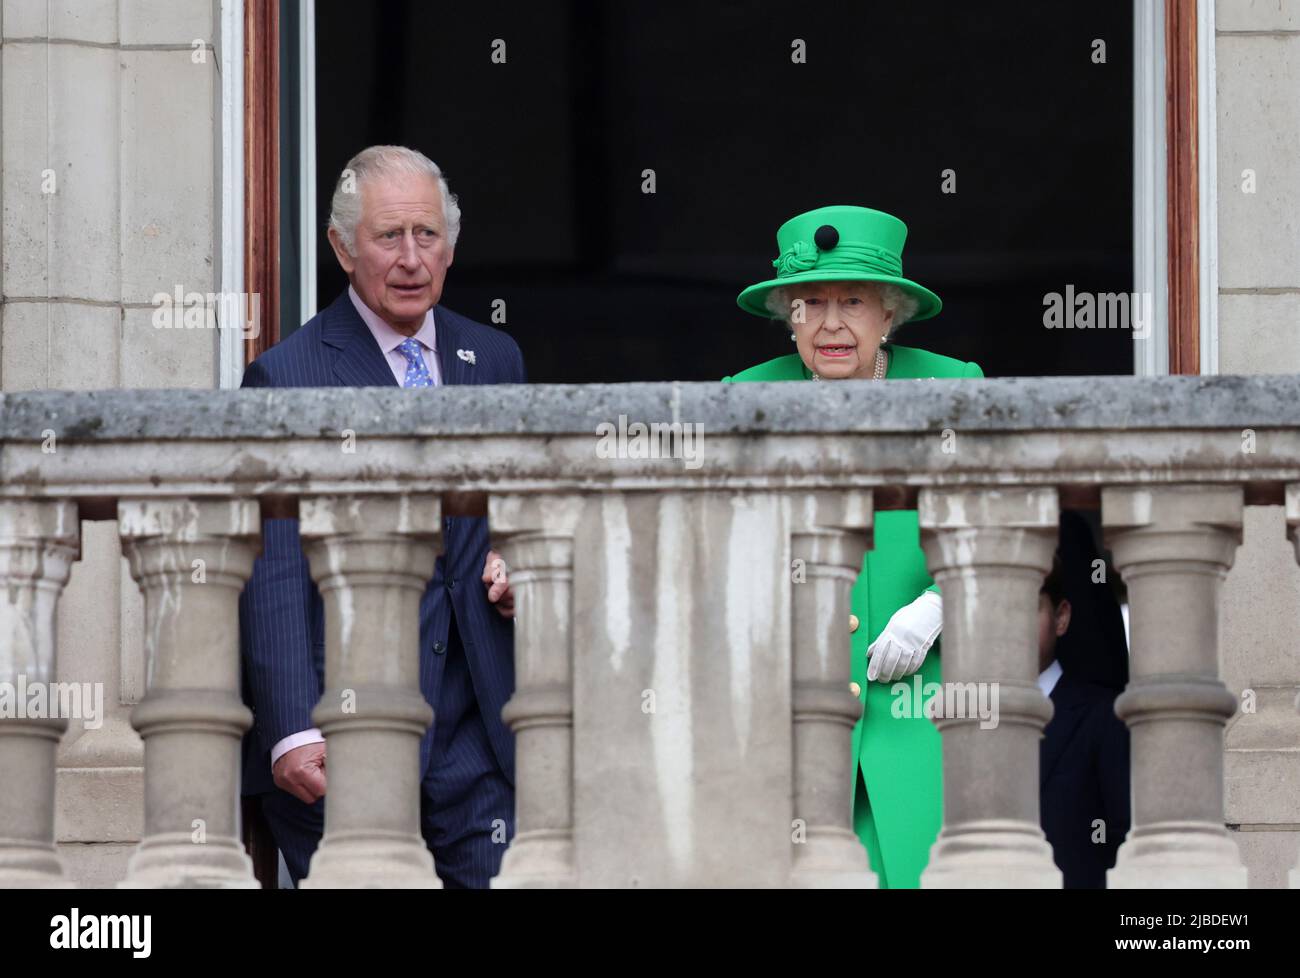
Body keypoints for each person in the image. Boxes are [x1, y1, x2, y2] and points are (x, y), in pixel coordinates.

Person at [238, 145, 525, 888]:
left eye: (426, 235)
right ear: (341, 247)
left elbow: (521, 507)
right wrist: (292, 727)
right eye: (387, 236)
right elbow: (271, 567)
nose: (409, 258)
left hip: (479, 735)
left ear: (450, 245)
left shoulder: (493, 358)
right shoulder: (286, 376)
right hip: (346, 733)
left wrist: (518, 557)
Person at [723, 205, 984, 887]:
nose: (831, 323)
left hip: (918, 718)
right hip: (792, 720)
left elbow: (997, 526)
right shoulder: (743, 397)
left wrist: (937, 608)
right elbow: (715, 550)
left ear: (890, 315)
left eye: (854, 302)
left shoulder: (953, 387)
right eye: (812, 303)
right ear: (789, 314)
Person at [1038, 510, 1131, 887]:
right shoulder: (969, 711)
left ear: (1061, 617)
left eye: (1028, 606)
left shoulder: (1104, 718)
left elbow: (1121, 837)